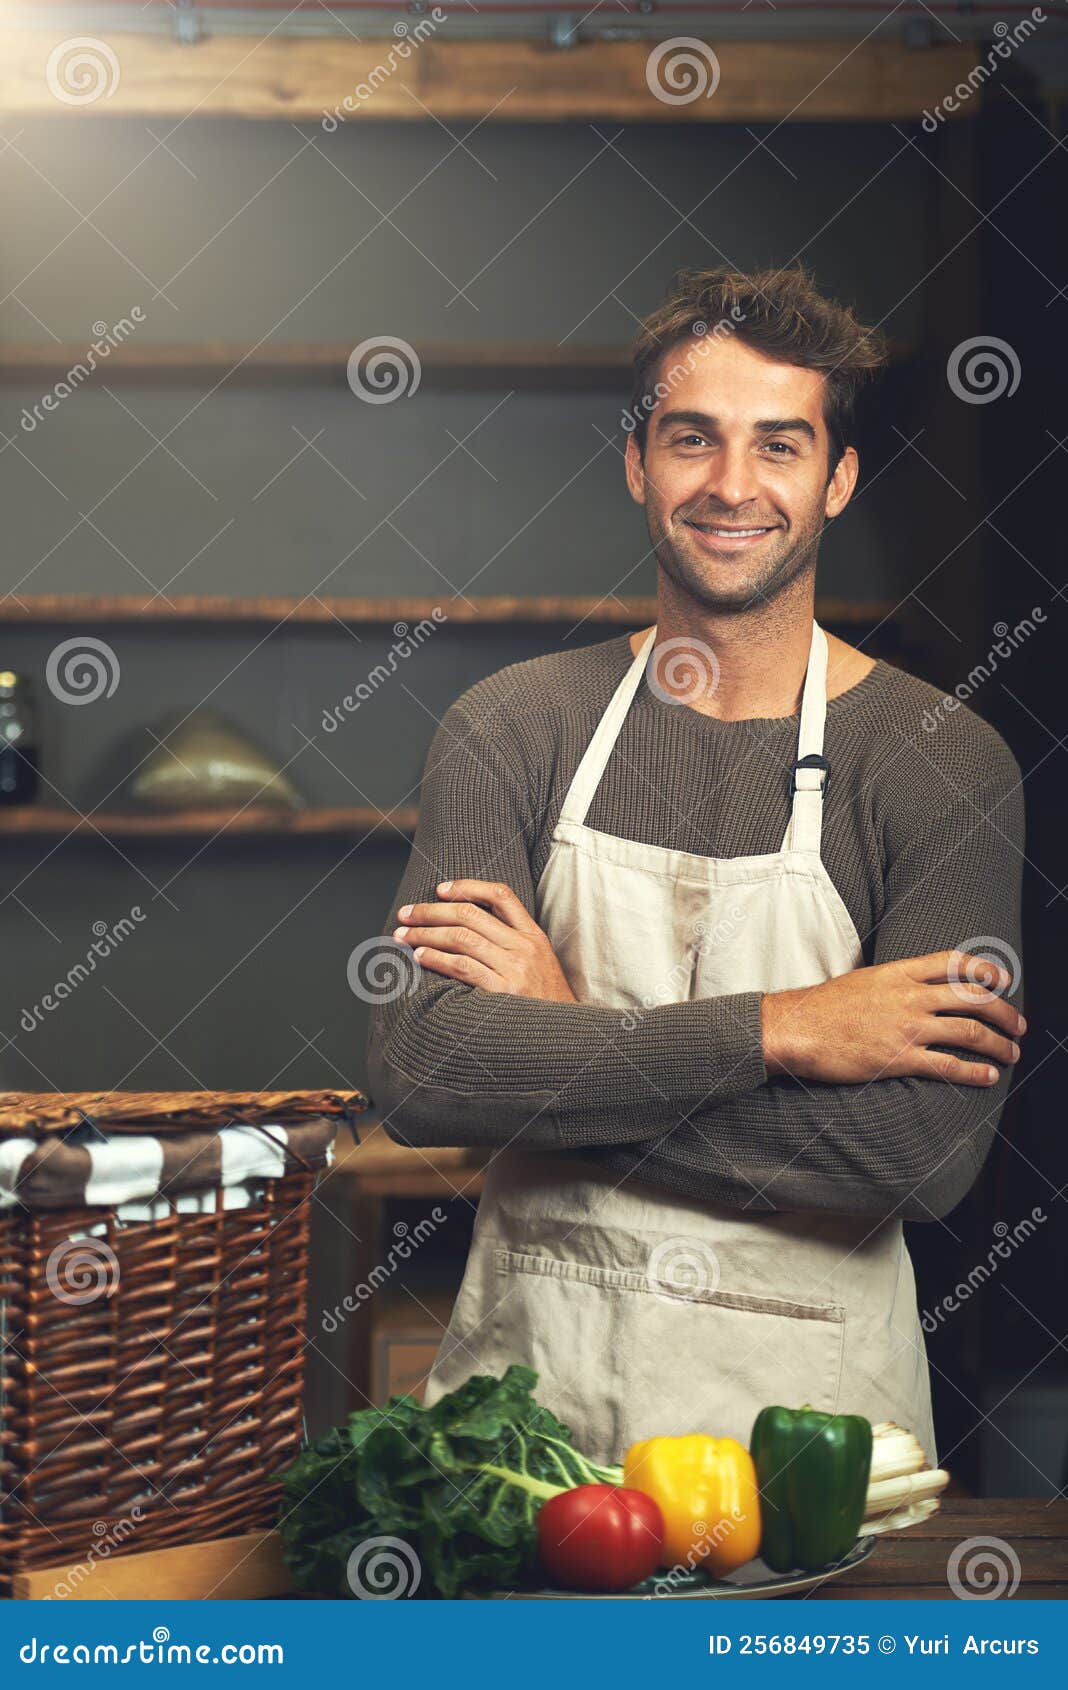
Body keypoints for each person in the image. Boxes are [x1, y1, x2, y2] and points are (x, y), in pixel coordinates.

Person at [367, 265, 1025, 1468]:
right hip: (525, 1433)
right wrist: (780, 1029)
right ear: (637, 464)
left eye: (780, 445)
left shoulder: (940, 761)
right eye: (693, 440)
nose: (733, 486)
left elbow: (921, 1159)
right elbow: (425, 1073)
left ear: (837, 479)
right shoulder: (512, 726)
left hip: (815, 1454)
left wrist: (561, 1042)